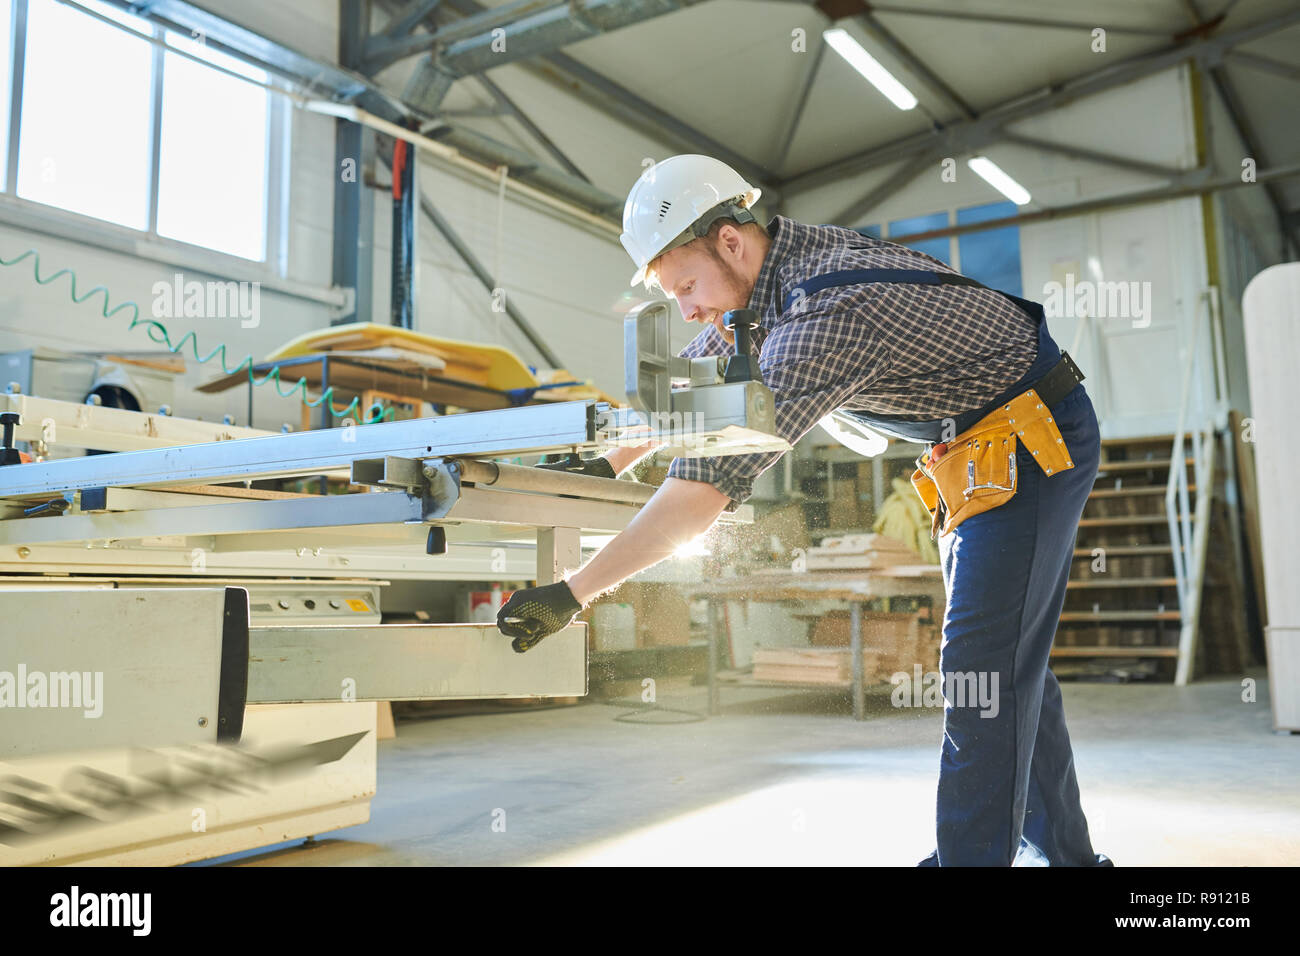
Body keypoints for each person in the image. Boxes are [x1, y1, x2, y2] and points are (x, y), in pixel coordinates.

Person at [498, 154, 1112, 867]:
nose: (688, 308)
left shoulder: (824, 315)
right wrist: (610, 460)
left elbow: (696, 499)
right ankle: (1070, 861)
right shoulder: (772, 269)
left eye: (687, 286)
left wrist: (570, 594)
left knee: (980, 667)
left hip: (1032, 440)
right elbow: (695, 376)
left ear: (729, 241)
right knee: (1006, 660)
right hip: (975, 446)